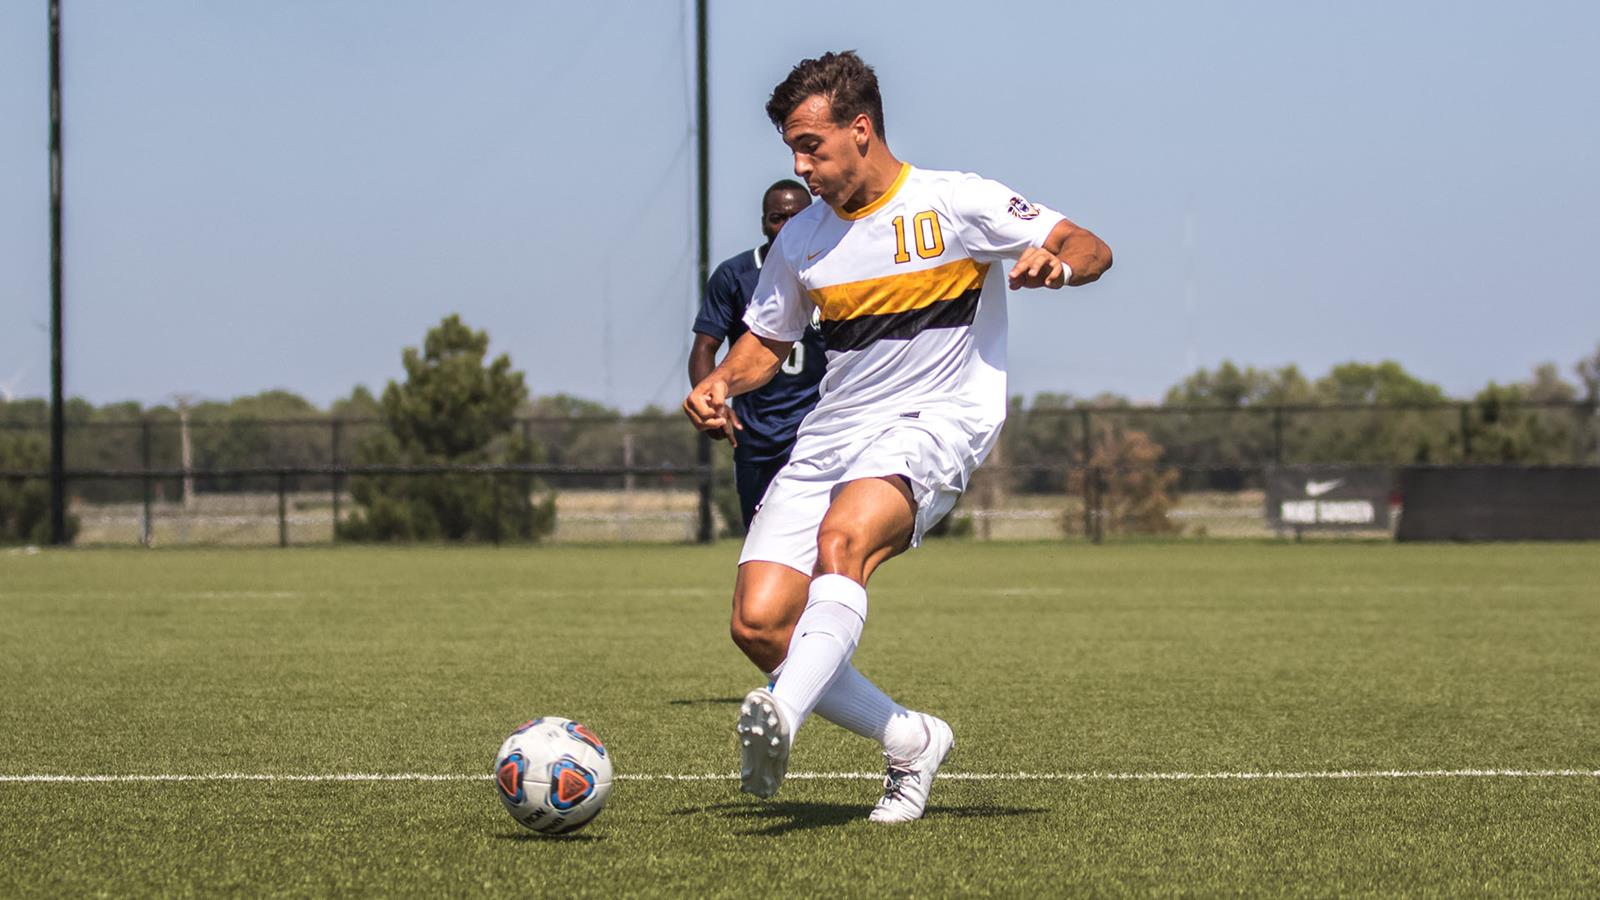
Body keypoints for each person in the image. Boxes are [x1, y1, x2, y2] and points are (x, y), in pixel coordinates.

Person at [682, 51, 1112, 823]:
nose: (799, 163)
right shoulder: (803, 238)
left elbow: (1090, 245)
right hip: (832, 429)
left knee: (845, 540)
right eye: (791, 147)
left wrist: (1056, 263)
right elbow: (765, 345)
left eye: (811, 144)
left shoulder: (956, 201)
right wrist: (721, 382)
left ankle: (783, 712)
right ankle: (910, 739)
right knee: (760, 619)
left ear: (861, 128)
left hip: (937, 419)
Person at [689, 181, 826, 530]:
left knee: (824, 541)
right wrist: (711, 404)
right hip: (757, 431)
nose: (788, 227)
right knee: (761, 540)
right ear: (764, 223)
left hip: (819, 428)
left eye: (798, 217)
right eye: (778, 218)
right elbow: (705, 347)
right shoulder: (736, 275)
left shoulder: (838, 268)